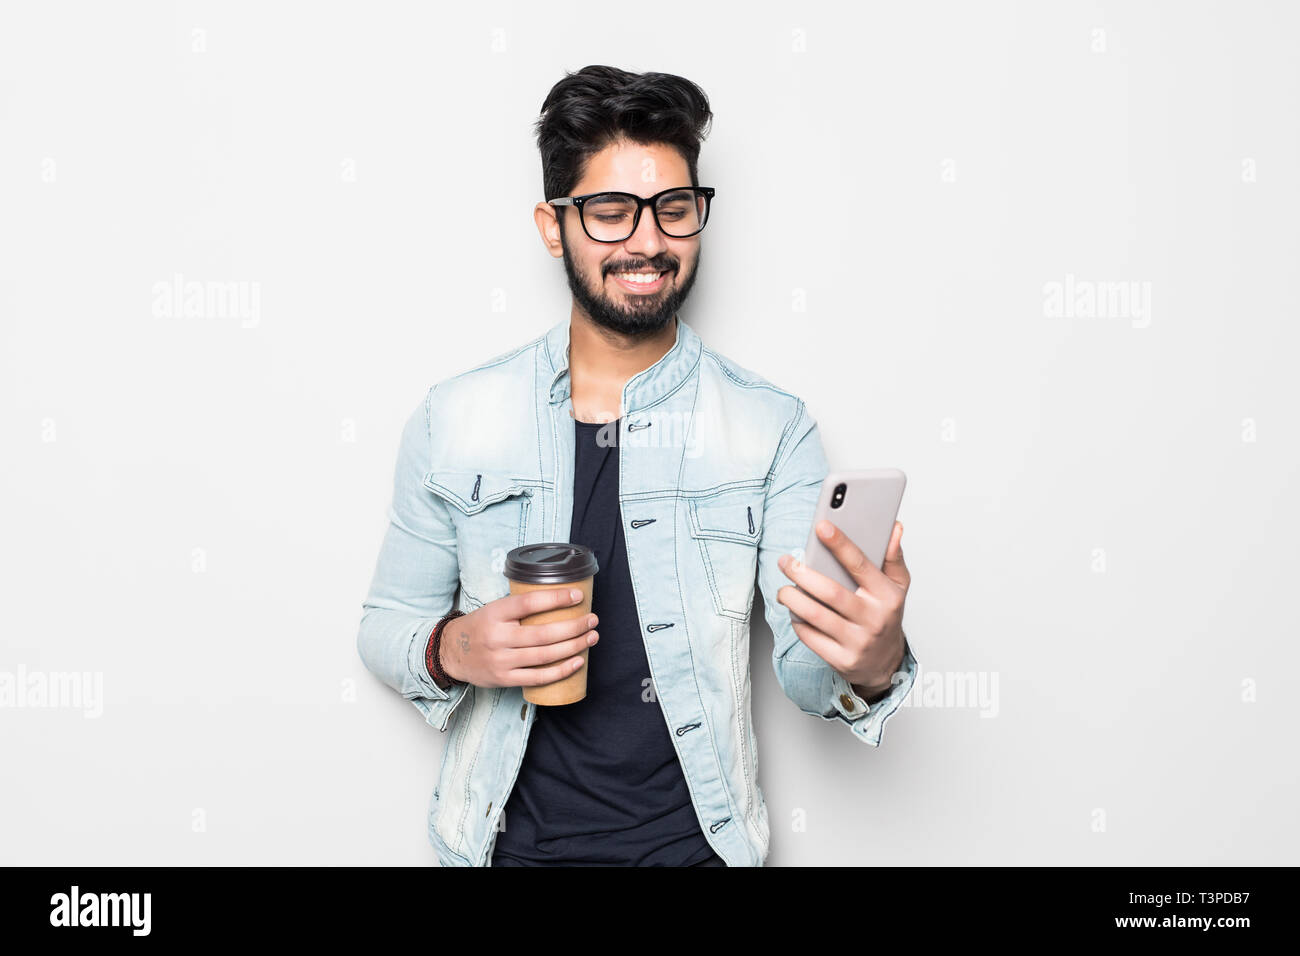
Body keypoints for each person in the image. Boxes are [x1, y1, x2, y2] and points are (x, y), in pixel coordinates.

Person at [357, 65, 918, 867]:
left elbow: (803, 672)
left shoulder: (773, 429)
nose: (648, 242)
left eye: (674, 210)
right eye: (611, 213)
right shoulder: (456, 419)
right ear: (554, 227)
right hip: (499, 852)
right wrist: (453, 648)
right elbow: (384, 623)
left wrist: (872, 660)